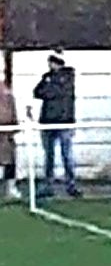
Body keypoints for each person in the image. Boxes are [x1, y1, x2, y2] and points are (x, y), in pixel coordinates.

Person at [36, 53, 81, 200]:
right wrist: (48, 87)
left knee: (66, 155)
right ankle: (48, 185)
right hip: (48, 121)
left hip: (64, 121)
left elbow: (56, 92)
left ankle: (71, 184)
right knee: (49, 156)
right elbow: (37, 92)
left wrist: (49, 87)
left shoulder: (67, 77)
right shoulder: (46, 77)